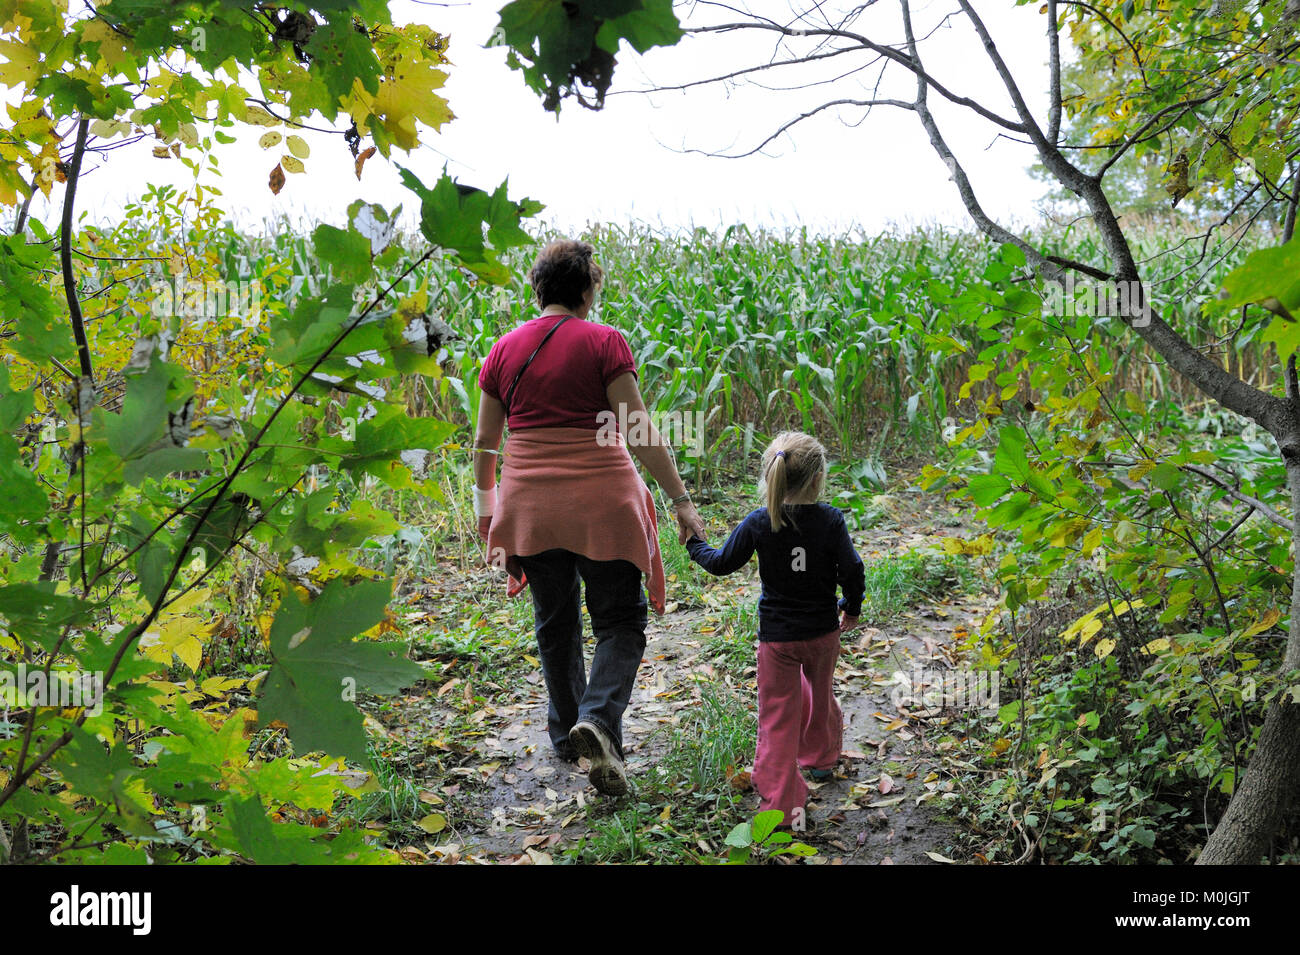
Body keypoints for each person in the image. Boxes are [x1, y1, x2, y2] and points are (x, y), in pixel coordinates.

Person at [473, 238, 706, 797]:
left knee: (555, 622)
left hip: (529, 504)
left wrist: (489, 515)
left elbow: (484, 445)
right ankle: (597, 723)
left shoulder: (504, 351)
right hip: (603, 503)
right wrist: (679, 499)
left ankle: (566, 736)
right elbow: (638, 430)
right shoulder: (603, 342)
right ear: (586, 289)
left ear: (538, 288)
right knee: (620, 622)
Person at [685, 431, 865, 828]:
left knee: (778, 719)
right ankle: (821, 761)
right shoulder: (831, 520)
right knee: (820, 692)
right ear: (818, 479)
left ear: (770, 476)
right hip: (822, 632)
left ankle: (782, 808)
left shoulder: (758, 523)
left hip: (778, 640)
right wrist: (851, 607)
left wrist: (693, 543)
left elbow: (719, 563)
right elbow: (852, 570)